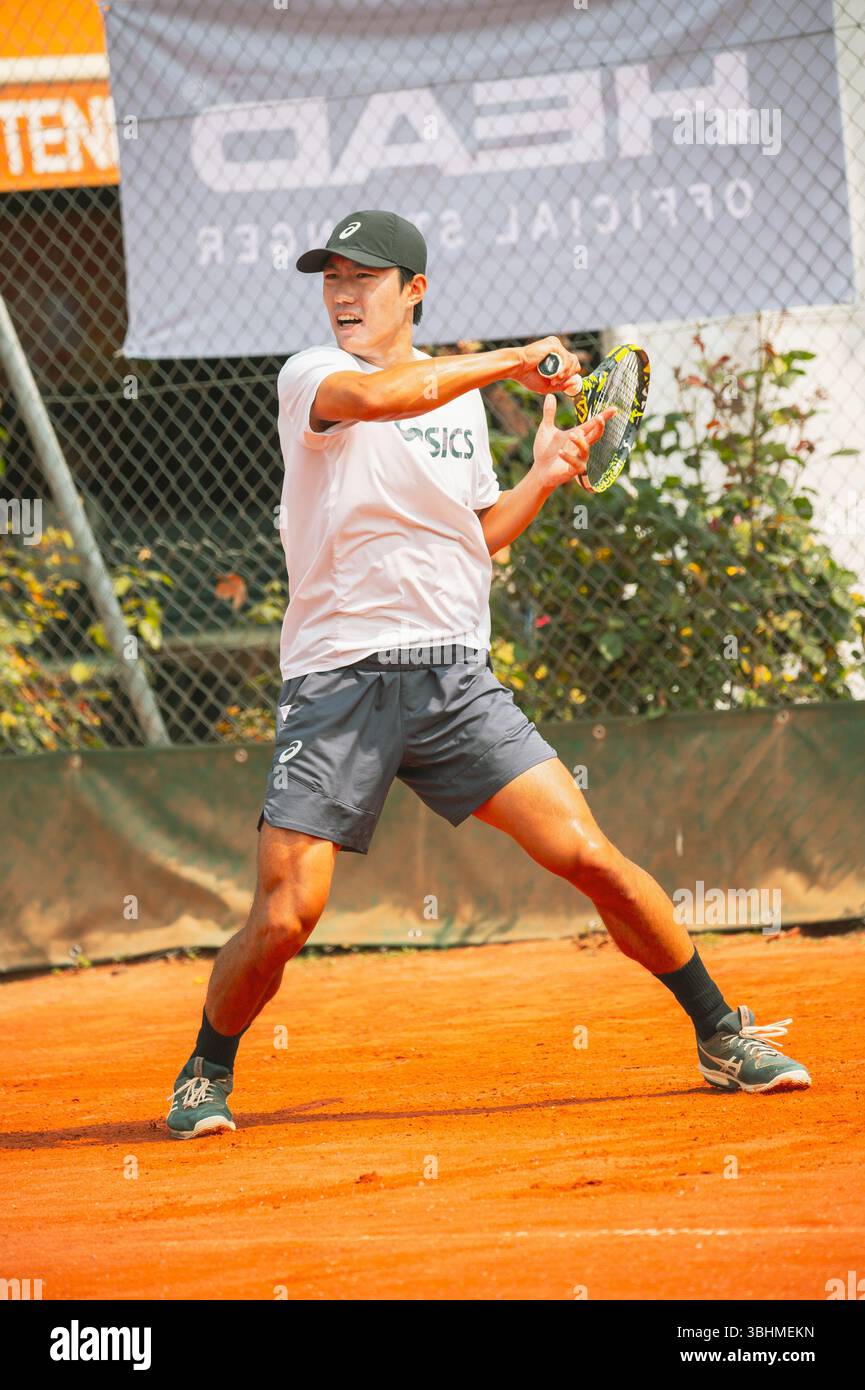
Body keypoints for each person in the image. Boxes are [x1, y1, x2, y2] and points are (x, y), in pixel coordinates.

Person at [166, 210, 810, 1138]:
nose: (344, 296)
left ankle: (721, 1033)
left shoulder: (460, 409)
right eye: (332, 280)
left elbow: (473, 540)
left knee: (589, 854)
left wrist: (541, 477)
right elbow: (388, 400)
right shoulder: (311, 377)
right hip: (339, 684)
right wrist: (513, 362)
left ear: (412, 292)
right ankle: (204, 1071)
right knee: (284, 918)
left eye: (366, 280)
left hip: (454, 682)